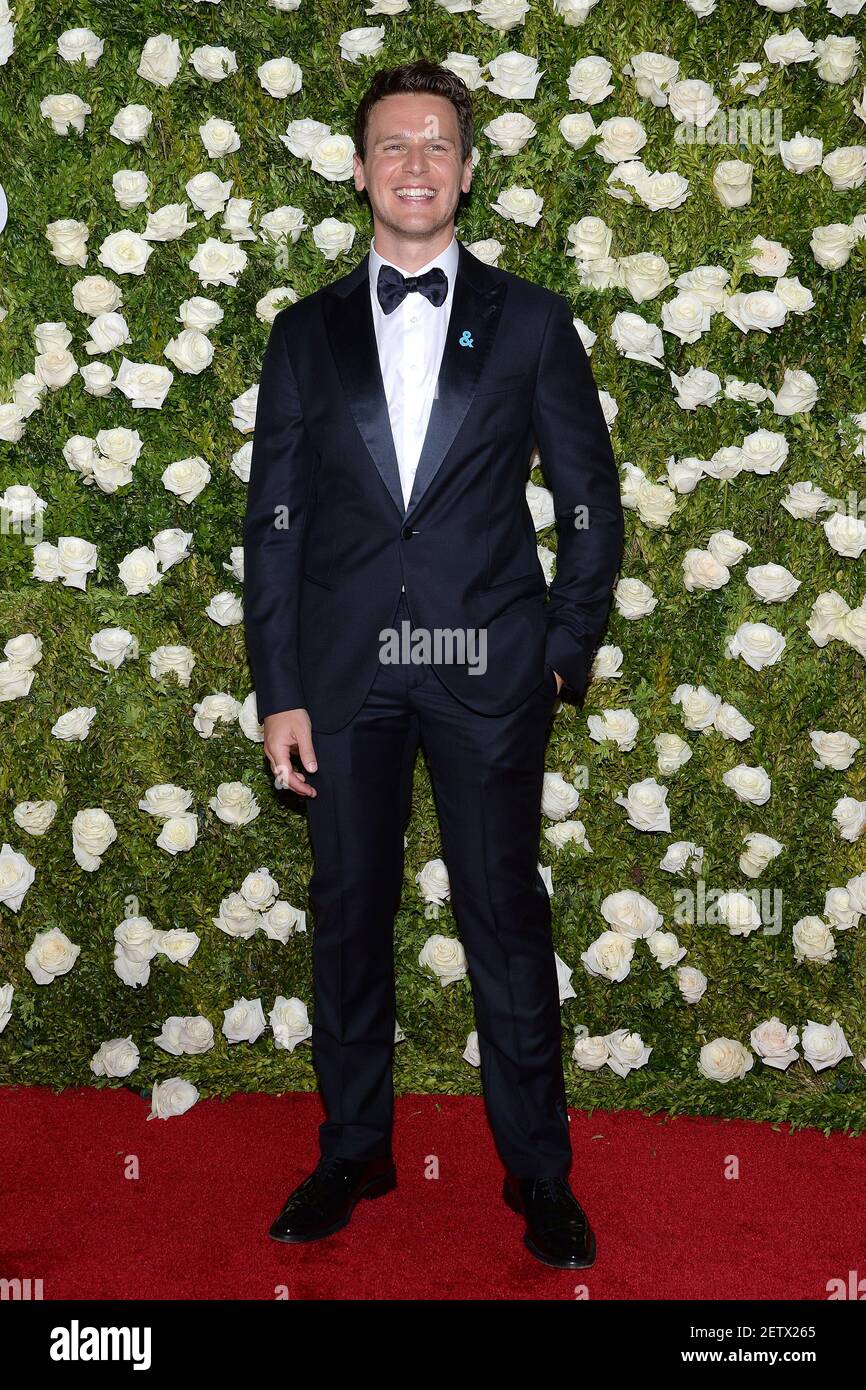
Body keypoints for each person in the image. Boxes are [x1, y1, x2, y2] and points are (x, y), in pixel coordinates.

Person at [243, 58, 625, 1270]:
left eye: (436, 144)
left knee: (502, 919)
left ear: (465, 170)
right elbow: (274, 521)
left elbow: (589, 502)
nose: (414, 163)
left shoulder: (529, 319)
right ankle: (354, 1146)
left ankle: (538, 1173)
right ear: (358, 172)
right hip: (343, 681)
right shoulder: (301, 334)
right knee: (346, 916)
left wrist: (561, 657)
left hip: (486, 671)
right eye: (392, 145)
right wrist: (279, 689)